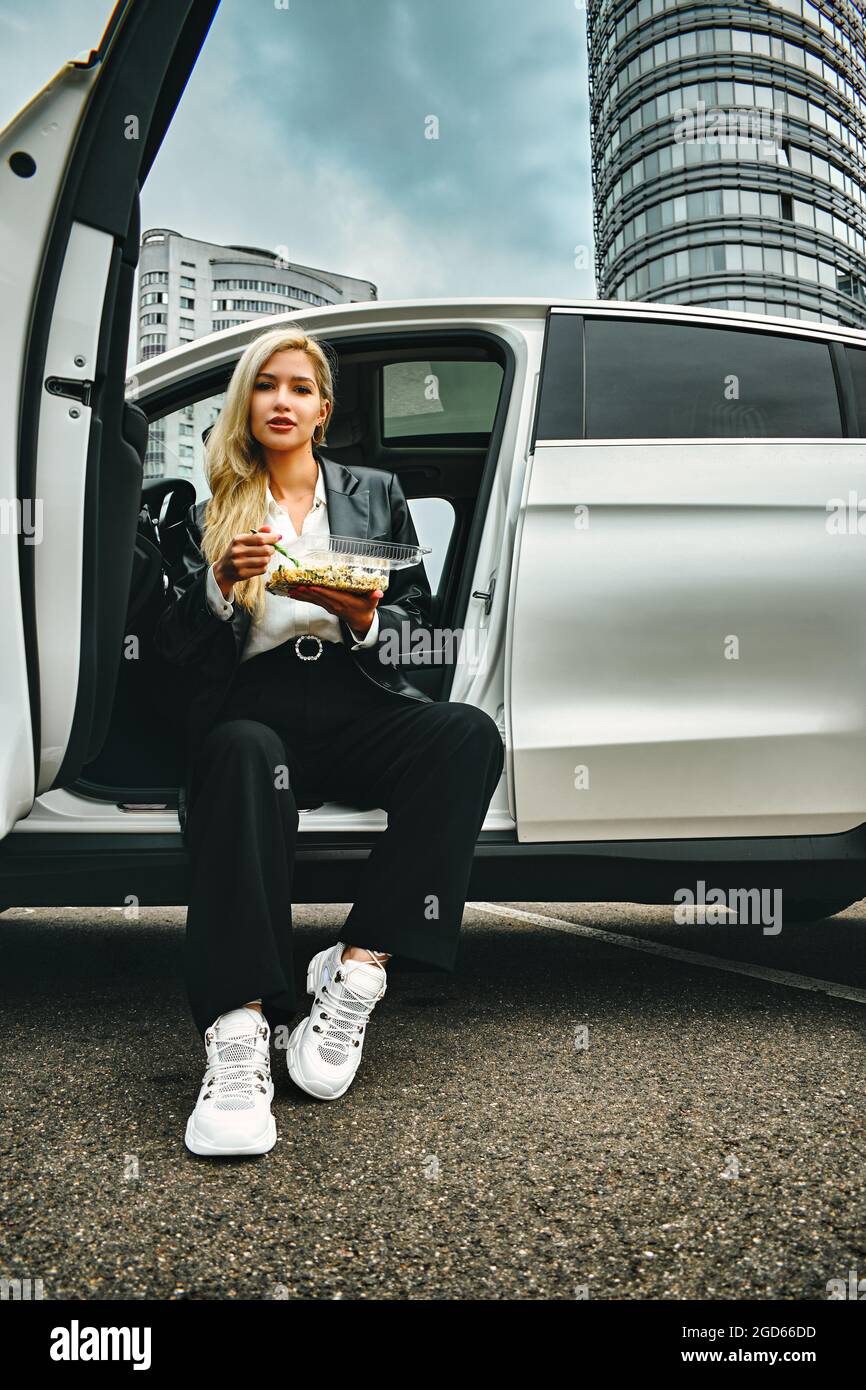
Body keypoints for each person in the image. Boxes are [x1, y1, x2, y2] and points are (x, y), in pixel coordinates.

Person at [153, 324, 505, 1157]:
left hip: (355, 692)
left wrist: (367, 614)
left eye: (300, 388)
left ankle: (356, 970)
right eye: (266, 385)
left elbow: (423, 626)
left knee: (466, 737)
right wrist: (215, 587)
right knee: (242, 754)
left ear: (323, 409)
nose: (283, 399)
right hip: (255, 706)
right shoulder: (213, 509)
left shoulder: (375, 496)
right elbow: (167, 657)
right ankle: (238, 1035)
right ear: (247, 406)